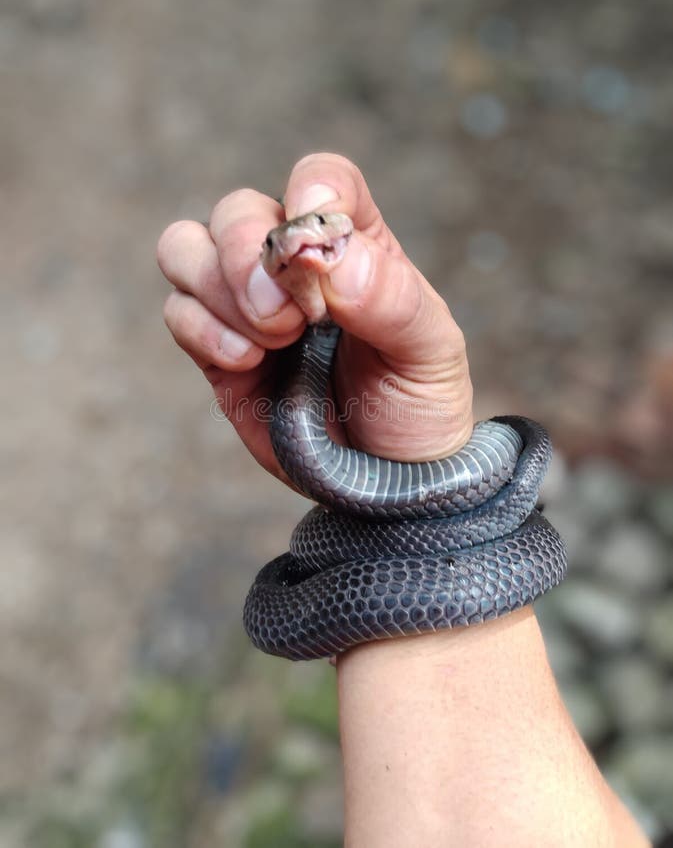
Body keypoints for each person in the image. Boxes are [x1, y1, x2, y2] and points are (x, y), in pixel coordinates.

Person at [157, 153, 649, 847]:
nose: (301, 240)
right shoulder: (313, 340)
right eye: (281, 244)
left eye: (319, 230)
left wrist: (399, 500)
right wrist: (413, 462)